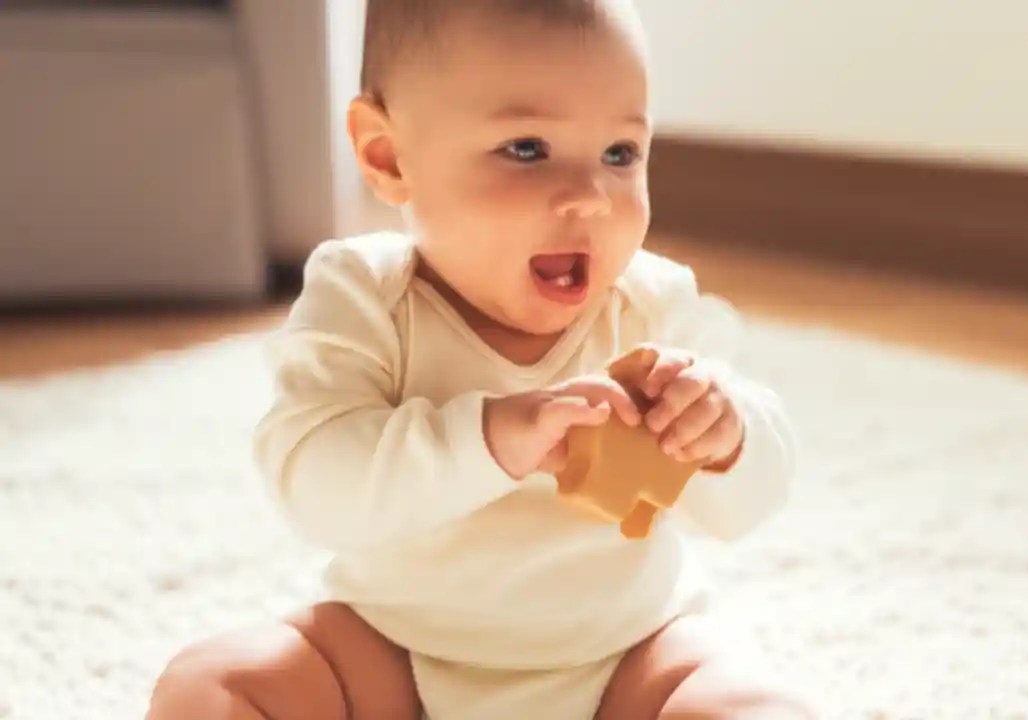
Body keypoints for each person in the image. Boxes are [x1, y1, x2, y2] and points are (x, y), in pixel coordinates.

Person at [147, 1, 814, 717]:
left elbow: (751, 502)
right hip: (392, 654)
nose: (589, 198)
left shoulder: (652, 305)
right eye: (527, 148)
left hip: (628, 658)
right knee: (210, 686)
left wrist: (725, 435)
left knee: (752, 702)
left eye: (620, 153)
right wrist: (488, 440)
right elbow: (313, 482)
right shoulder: (366, 297)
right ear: (388, 155)